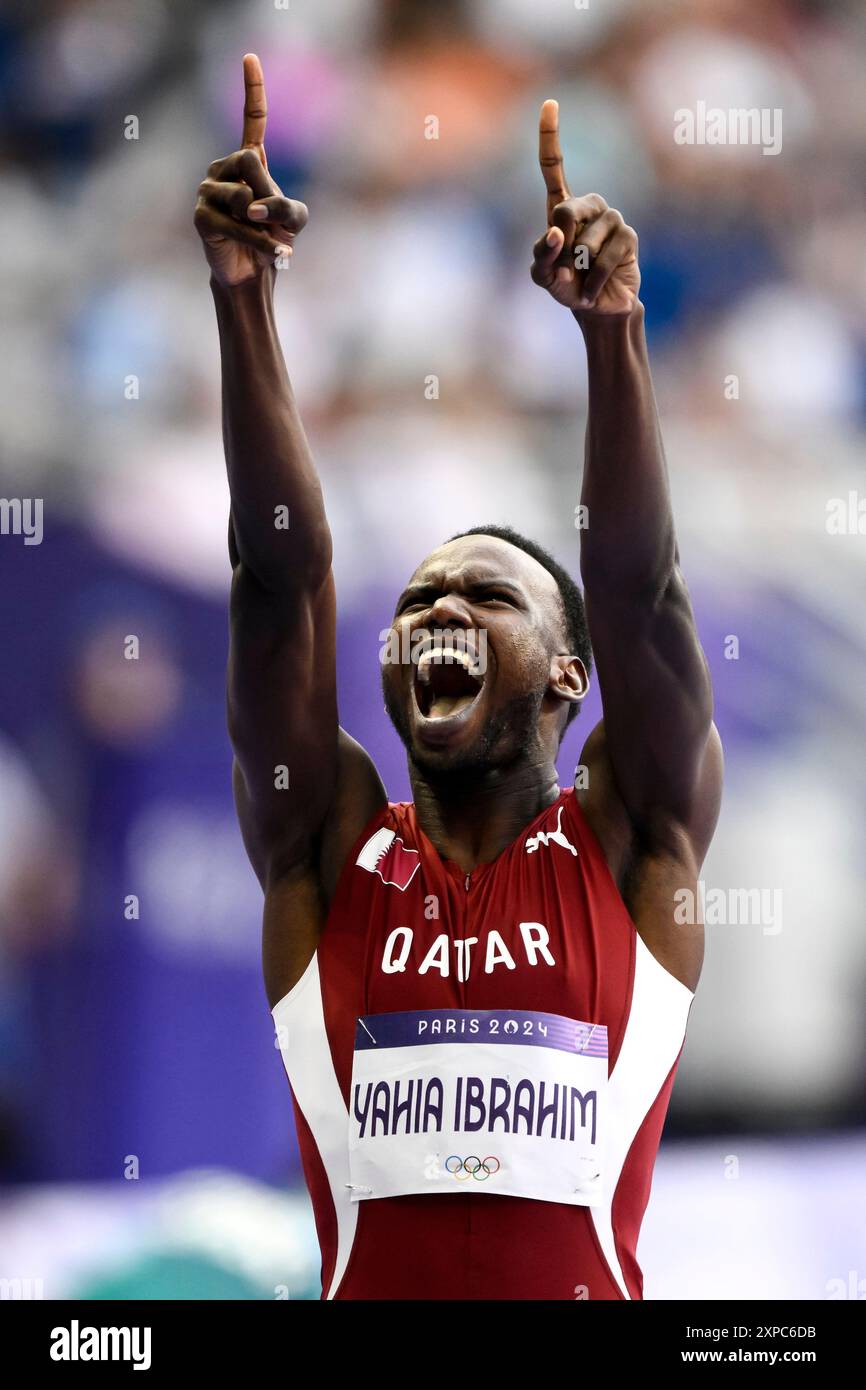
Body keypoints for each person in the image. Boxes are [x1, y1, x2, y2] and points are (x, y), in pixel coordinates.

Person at [194, 54, 723, 1300]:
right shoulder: (320, 851)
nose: (438, 608)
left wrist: (611, 335)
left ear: (565, 678)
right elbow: (276, 583)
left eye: (488, 597)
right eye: (418, 599)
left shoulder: (634, 839)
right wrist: (242, 299)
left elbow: (641, 591)